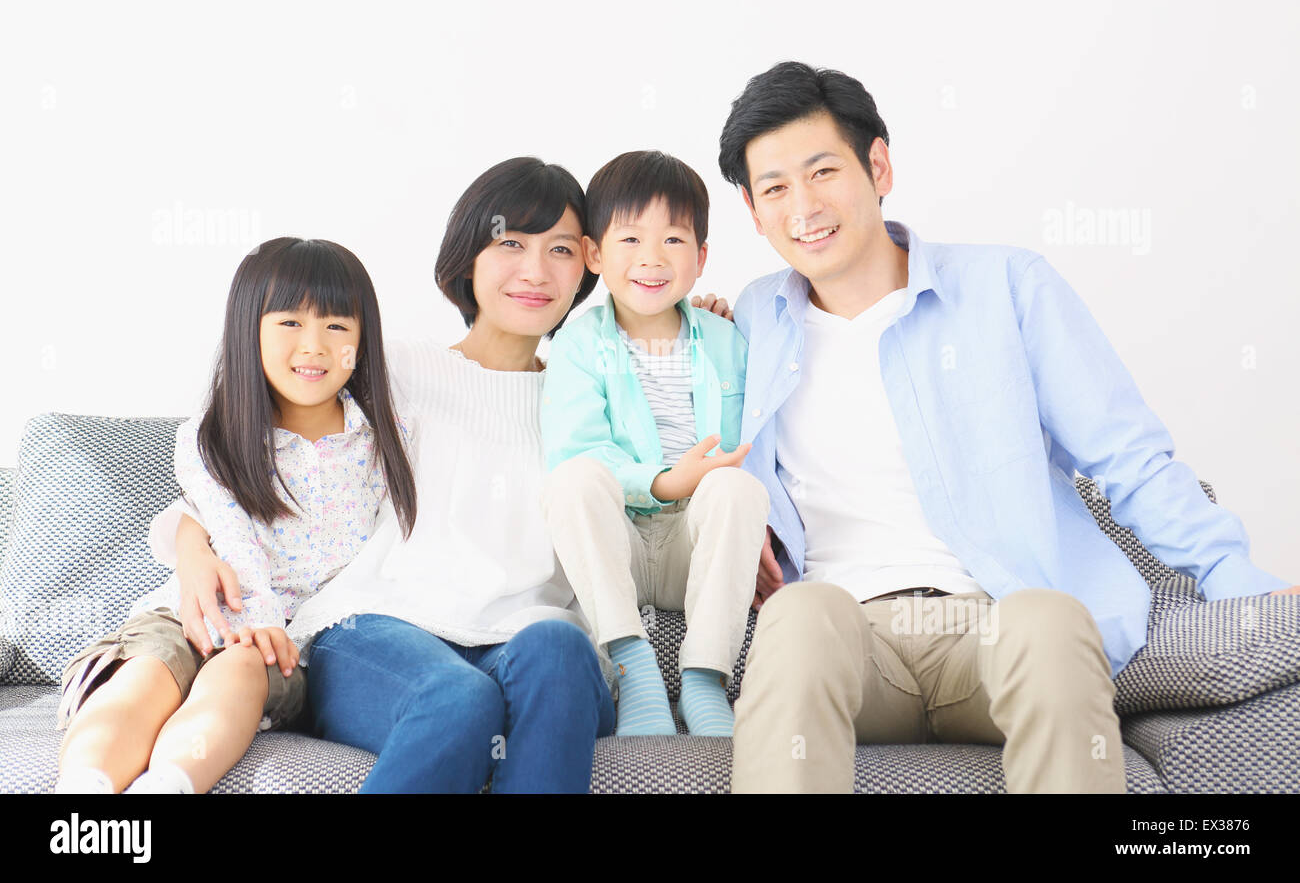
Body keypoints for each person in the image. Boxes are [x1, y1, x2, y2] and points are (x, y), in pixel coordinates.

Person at [718, 61, 1296, 793]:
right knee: (796, 619)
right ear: (753, 210)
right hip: (845, 641)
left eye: (822, 171)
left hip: (996, 628)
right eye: (775, 189)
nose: (803, 206)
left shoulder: (1007, 287)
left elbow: (1129, 457)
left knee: (1051, 622)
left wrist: (1233, 576)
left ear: (878, 164)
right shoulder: (750, 319)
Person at [154, 157, 728, 792]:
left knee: (561, 651)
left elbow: (679, 470)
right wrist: (187, 542)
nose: (535, 271)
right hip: (378, 631)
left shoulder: (603, 394)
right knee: (458, 698)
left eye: (560, 248)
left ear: (590, 261)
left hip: (532, 638)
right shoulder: (390, 371)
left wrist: (688, 320)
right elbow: (240, 458)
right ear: (469, 256)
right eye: (510, 242)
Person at [55, 237, 417, 794]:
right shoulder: (213, 435)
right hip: (191, 613)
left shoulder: (381, 441)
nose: (314, 346)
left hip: (284, 643)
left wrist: (266, 631)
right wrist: (249, 607)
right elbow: (230, 534)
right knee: (149, 674)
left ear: (363, 340)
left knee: (241, 667)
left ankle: (166, 790)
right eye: (290, 323)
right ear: (250, 331)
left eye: (338, 327)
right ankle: (82, 801)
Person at [540, 151, 768, 737]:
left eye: (673, 239)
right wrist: (663, 482)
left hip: (696, 537)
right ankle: (634, 667)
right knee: (572, 480)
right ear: (595, 253)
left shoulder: (726, 340)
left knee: (736, 485)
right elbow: (577, 450)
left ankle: (704, 678)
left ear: (701, 258)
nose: (652, 258)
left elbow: (754, 445)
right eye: (631, 238)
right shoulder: (579, 342)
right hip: (619, 541)